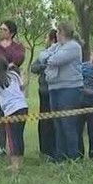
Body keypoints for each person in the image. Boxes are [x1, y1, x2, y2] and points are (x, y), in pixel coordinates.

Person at [33, 21, 85, 162]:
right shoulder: (57, 46)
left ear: (63, 32)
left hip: (69, 89)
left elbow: (55, 60)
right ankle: (60, 156)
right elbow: (42, 55)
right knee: (58, 124)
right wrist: (48, 57)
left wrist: (48, 58)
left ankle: (73, 156)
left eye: (58, 31)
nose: (56, 34)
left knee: (68, 123)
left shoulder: (73, 46)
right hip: (54, 87)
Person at [0, 20, 26, 157]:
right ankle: (1, 146)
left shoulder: (18, 47)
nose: (1, 32)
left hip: (10, 85)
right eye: (0, 29)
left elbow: (19, 58)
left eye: (4, 29)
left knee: (13, 119)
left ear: (11, 32)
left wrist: (2, 62)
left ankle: (15, 147)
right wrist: (6, 62)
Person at [0, 58, 29, 173]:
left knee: (12, 138)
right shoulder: (14, 75)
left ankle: (14, 165)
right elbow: (22, 87)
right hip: (23, 107)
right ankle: (20, 162)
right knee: (19, 136)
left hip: (11, 111)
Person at [31, 28, 57, 159]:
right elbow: (33, 67)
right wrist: (43, 66)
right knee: (43, 121)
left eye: (47, 38)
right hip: (43, 91)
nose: (45, 40)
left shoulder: (60, 53)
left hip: (56, 91)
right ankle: (44, 150)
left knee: (54, 122)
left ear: (53, 39)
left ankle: (54, 150)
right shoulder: (43, 54)